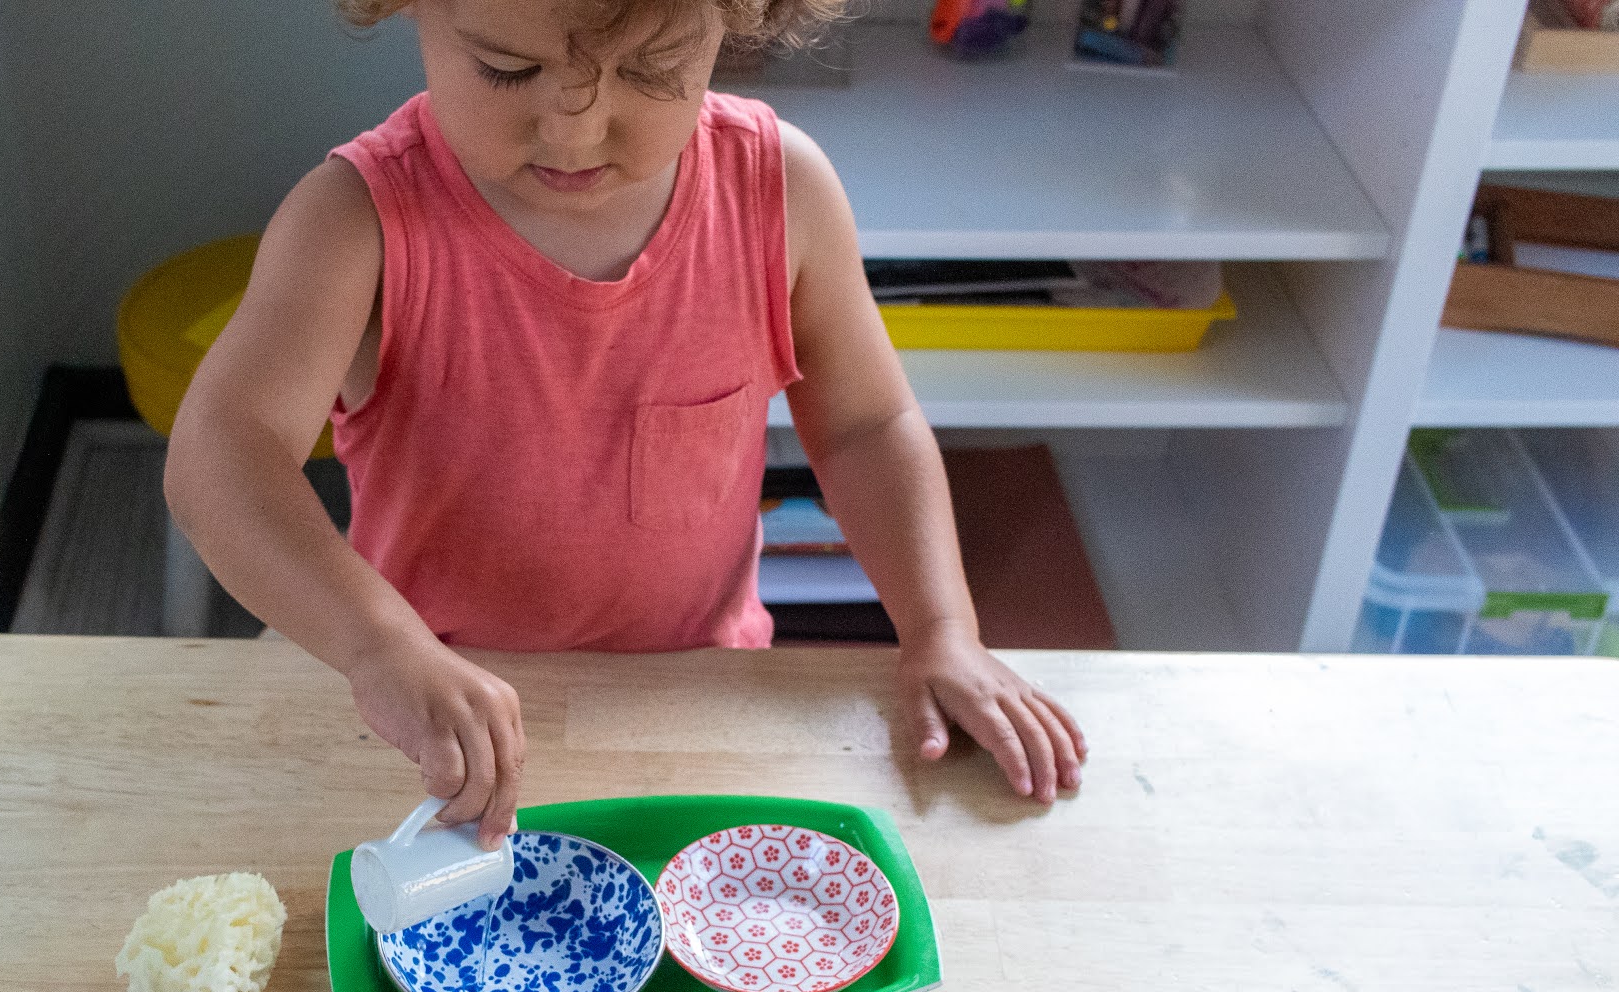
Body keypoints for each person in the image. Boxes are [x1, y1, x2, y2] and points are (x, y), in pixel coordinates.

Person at [165, 0, 1087, 850]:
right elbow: (220, 456)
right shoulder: (356, 220)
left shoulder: (783, 192)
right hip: (433, 732)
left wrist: (940, 626)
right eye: (505, 71)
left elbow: (865, 426)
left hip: (695, 709)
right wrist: (378, 647)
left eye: (648, 71)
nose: (573, 126)